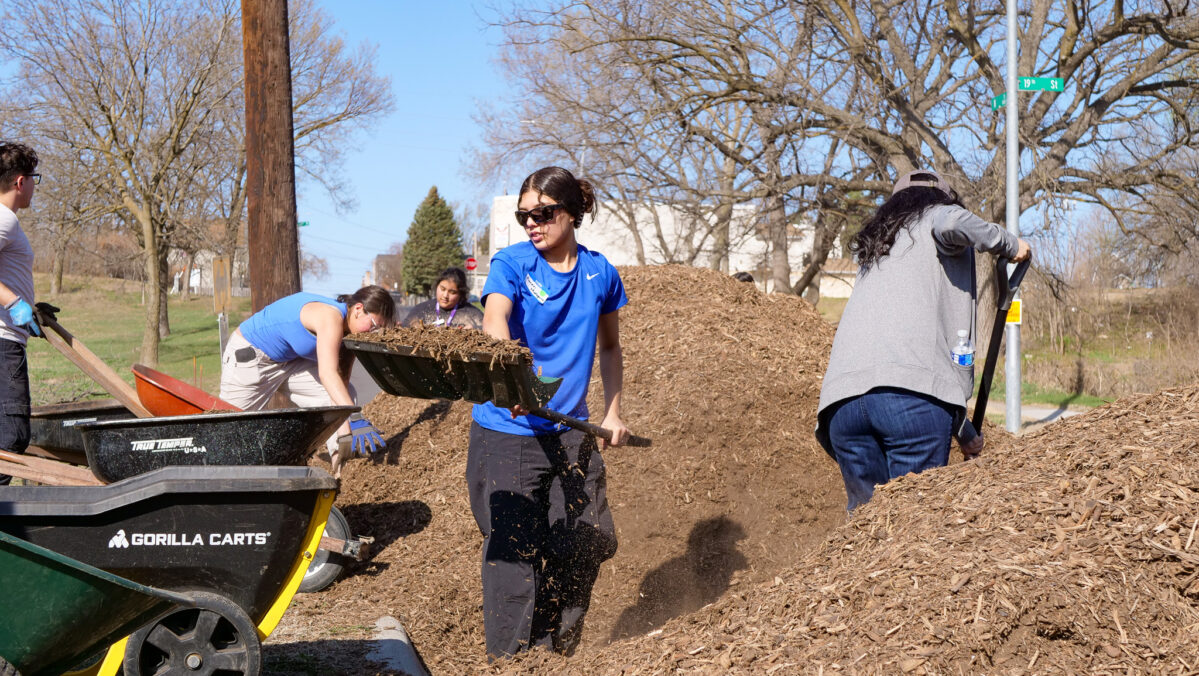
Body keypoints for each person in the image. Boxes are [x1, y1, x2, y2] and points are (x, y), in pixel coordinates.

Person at [467, 166, 630, 659]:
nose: (532, 224)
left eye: (542, 213)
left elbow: (612, 348)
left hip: (571, 431)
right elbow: (495, 318)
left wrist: (614, 412)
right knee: (514, 552)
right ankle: (513, 662)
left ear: (572, 213)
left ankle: (557, 649)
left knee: (588, 538)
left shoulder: (600, 273)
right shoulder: (512, 264)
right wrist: (512, 379)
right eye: (524, 216)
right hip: (509, 429)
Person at [815, 170, 1032, 512]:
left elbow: (902, 364)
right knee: (912, 525)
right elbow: (952, 223)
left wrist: (965, 433)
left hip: (841, 410)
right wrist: (1010, 244)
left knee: (864, 532)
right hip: (908, 407)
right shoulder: (936, 217)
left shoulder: (876, 250)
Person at [219, 285, 396, 476]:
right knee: (230, 431)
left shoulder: (350, 334)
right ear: (359, 309)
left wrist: (344, 435)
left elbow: (340, 381)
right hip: (252, 356)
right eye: (374, 325)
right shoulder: (331, 317)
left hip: (289, 361)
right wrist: (354, 416)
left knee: (345, 393)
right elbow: (327, 374)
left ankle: (344, 473)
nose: (372, 333)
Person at [0, 143, 42, 486]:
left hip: (8, 341)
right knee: (10, 438)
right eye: (33, 178)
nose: (33, 187)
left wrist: (32, 305)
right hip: (3, 345)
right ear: (19, 182)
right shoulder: (4, 218)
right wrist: (15, 302)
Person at [402, 267, 484, 329]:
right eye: (442, 289)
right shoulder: (420, 310)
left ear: (461, 294)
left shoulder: (474, 315)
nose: (445, 295)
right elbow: (402, 331)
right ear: (437, 286)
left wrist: (476, 331)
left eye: (452, 292)